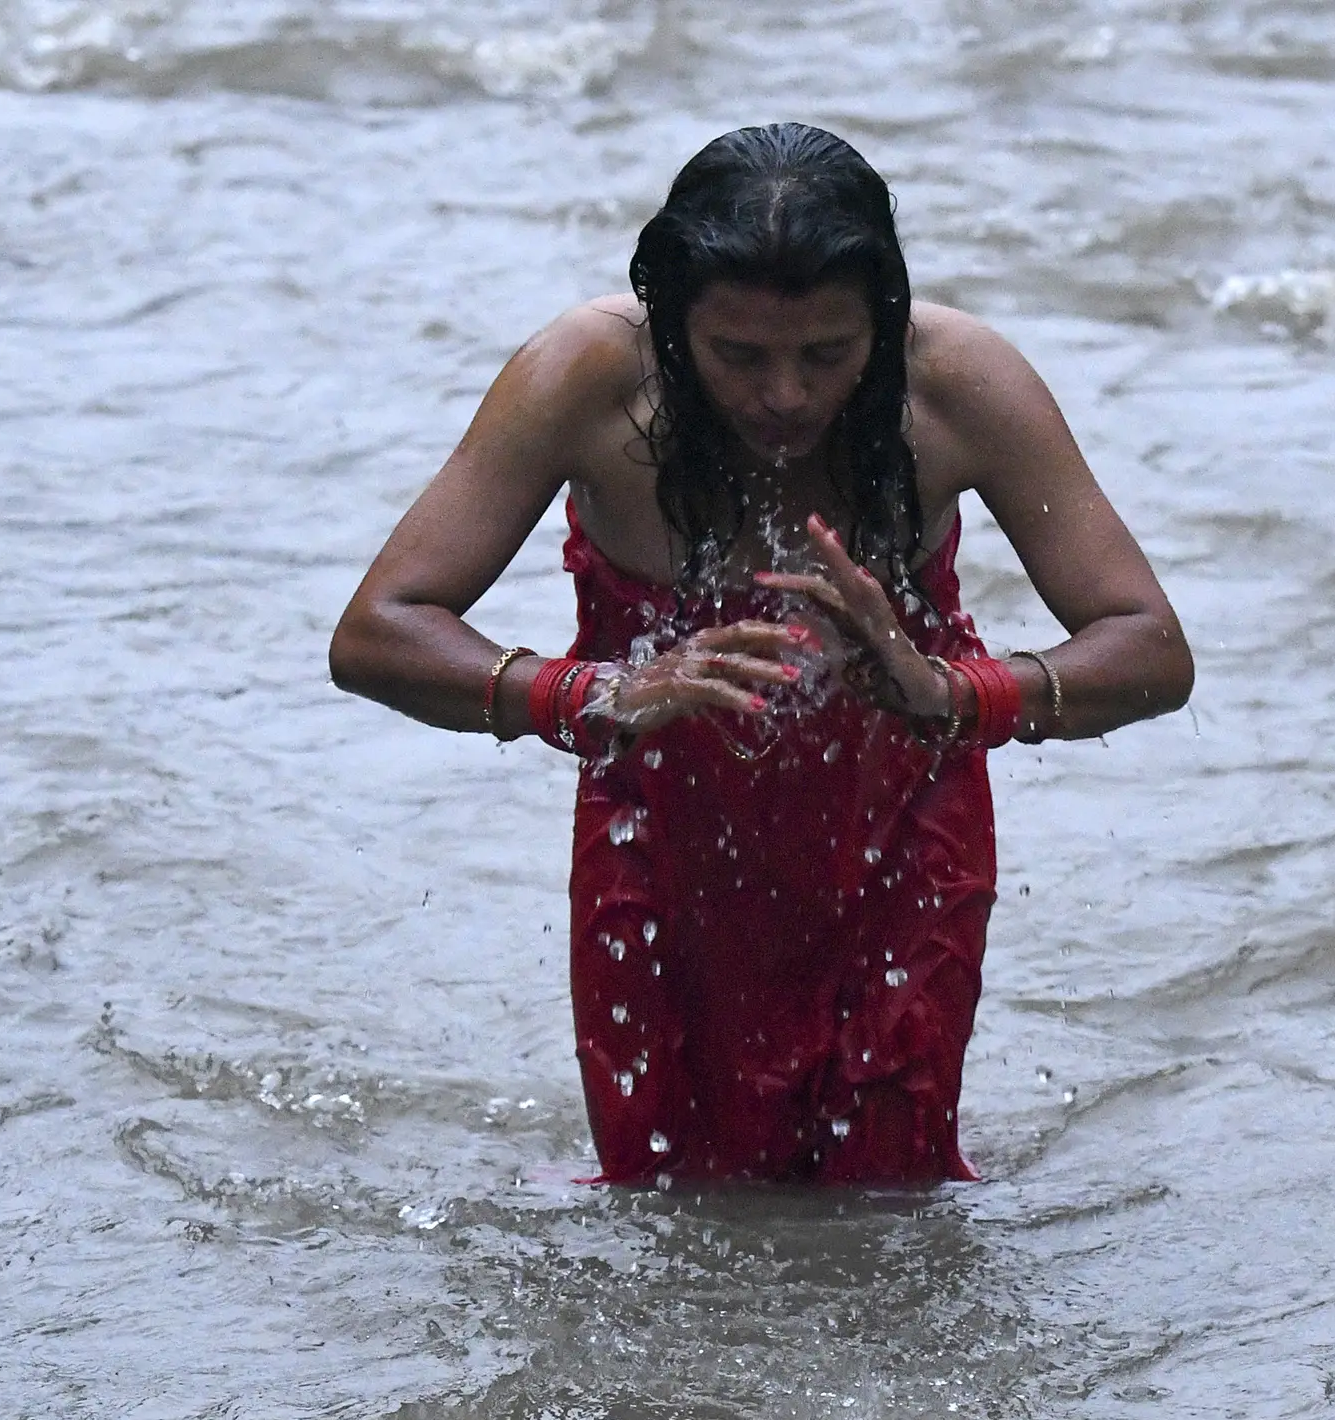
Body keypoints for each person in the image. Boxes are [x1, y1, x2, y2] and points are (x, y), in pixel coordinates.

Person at [328, 122, 1193, 1187]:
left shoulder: (957, 384)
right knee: (662, 1201)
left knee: (891, 1205)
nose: (783, 395)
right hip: (657, 842)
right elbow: (376, 630)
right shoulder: (584, 378)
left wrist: (952, 693)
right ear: (668, 324)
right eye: (736, 355)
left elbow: (1150, 647)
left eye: (826, 355)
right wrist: (592, 690)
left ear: (882, 322)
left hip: (906, 839)